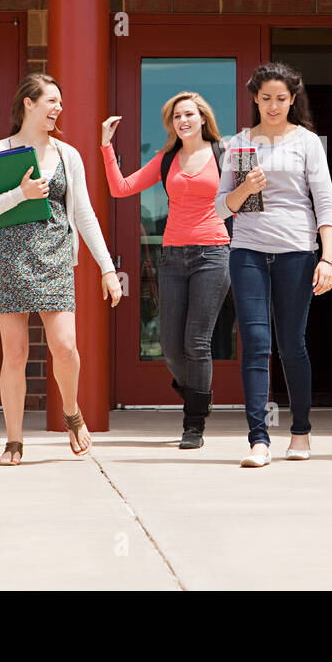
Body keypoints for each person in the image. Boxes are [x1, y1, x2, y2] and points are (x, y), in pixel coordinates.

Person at [0, 73, 122, 465]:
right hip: (8, 259)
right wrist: (19, 194)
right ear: (28, 103)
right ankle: (13, 440)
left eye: (60, 102)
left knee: (64, 346)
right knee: (16, 353)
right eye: (51, 101)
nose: (58, 108)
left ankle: (72, 412)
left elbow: (85, 214)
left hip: (56, 257)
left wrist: (107, 269)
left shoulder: (67, 155)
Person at [215, 62, 332, 467]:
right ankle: (258, 441)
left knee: (291, 345)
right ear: (254, 98)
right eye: (265, 98)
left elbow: (325, 200)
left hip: (297, 253)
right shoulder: (238, 144)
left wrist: (329, 257)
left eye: (281, 99)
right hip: (248, 250)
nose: (272, 105)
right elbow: (222, 207)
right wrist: (245, 189)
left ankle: (300, 432)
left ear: (292, 100)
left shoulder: (306, 142)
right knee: (254, 345)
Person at [100, 91, 230, 449]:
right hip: (172, 257)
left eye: (189, 114)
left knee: (197, 342)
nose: (183, 121)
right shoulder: (166, 159)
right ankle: (199, 395)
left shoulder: (224, 154)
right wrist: (106, 146)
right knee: (170, 346)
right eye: (176, 117)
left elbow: (247, 201)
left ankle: (194, 424)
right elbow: (120, 187)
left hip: (213, 254)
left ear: (203, 118)